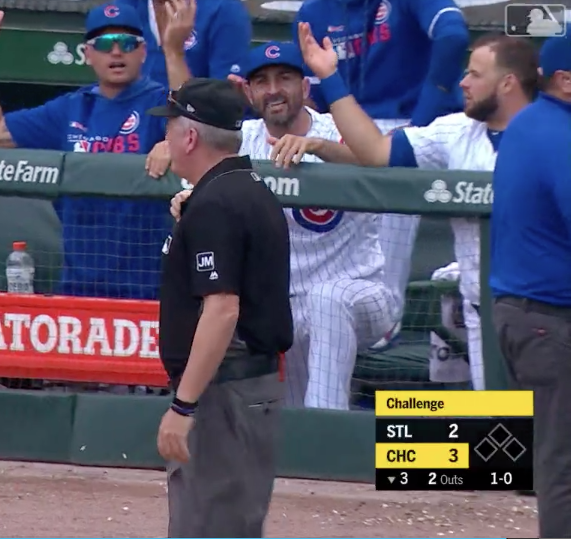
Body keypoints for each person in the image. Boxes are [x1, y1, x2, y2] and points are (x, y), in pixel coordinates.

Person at [295, 25, 539, 394]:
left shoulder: (553, 134)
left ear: (507, 83)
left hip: (545, 312)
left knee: (551, 431)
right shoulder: (457, 131)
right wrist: (330, 77)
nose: (462, 83)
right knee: (499, 431)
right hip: (480, 312)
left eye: (474, 74)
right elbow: (377, 153)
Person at [165, 41, 399, 410]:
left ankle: (324, 437)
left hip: (361, 292)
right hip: (287, 307)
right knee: (290, 411)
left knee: (328, 300)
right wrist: (176, 168)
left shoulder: (337, 130)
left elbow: (382, 158)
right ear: (248, 91)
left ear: (305, 87)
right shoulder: (244, 141)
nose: (273, 89)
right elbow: (198, 147)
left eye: (285, 77)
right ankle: (305, 453)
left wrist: (320, 148)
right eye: (262, 81)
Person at [148, 77, 291, 537]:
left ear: (189, 137)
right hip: (243, 391)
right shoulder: (242, 189)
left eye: (170, 128)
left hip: (223, 395)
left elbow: (222, 310)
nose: (166, 138)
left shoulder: (217, 203)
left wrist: (183, 407)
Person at [0, 0, 174, 300]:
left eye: (128, 43)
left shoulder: (160, 102)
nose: (116, 51)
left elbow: (196, 127)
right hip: (79, 284)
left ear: (143, 52)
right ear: (88, 54)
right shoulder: (71, 108)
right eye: (104, 44)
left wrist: (174, 140)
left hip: (148, 283)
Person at [292, 0, 471, 348]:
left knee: (388, 201)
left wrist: (417, 125)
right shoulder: (314, 11)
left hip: (404, 124)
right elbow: (312, 94)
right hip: (338, 123)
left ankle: (385, 318)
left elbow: (452, 36)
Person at [490, 34, 571, 538]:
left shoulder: (531, 123)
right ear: (565, 80)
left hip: (529, 317)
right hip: (549, 322)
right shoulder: (557, 136)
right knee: (563, 466)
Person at [136, 0, 252, 89]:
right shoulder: (127, 6)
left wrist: (174, 53)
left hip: (193, 116)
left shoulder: (224, 10)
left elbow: (221, 107)